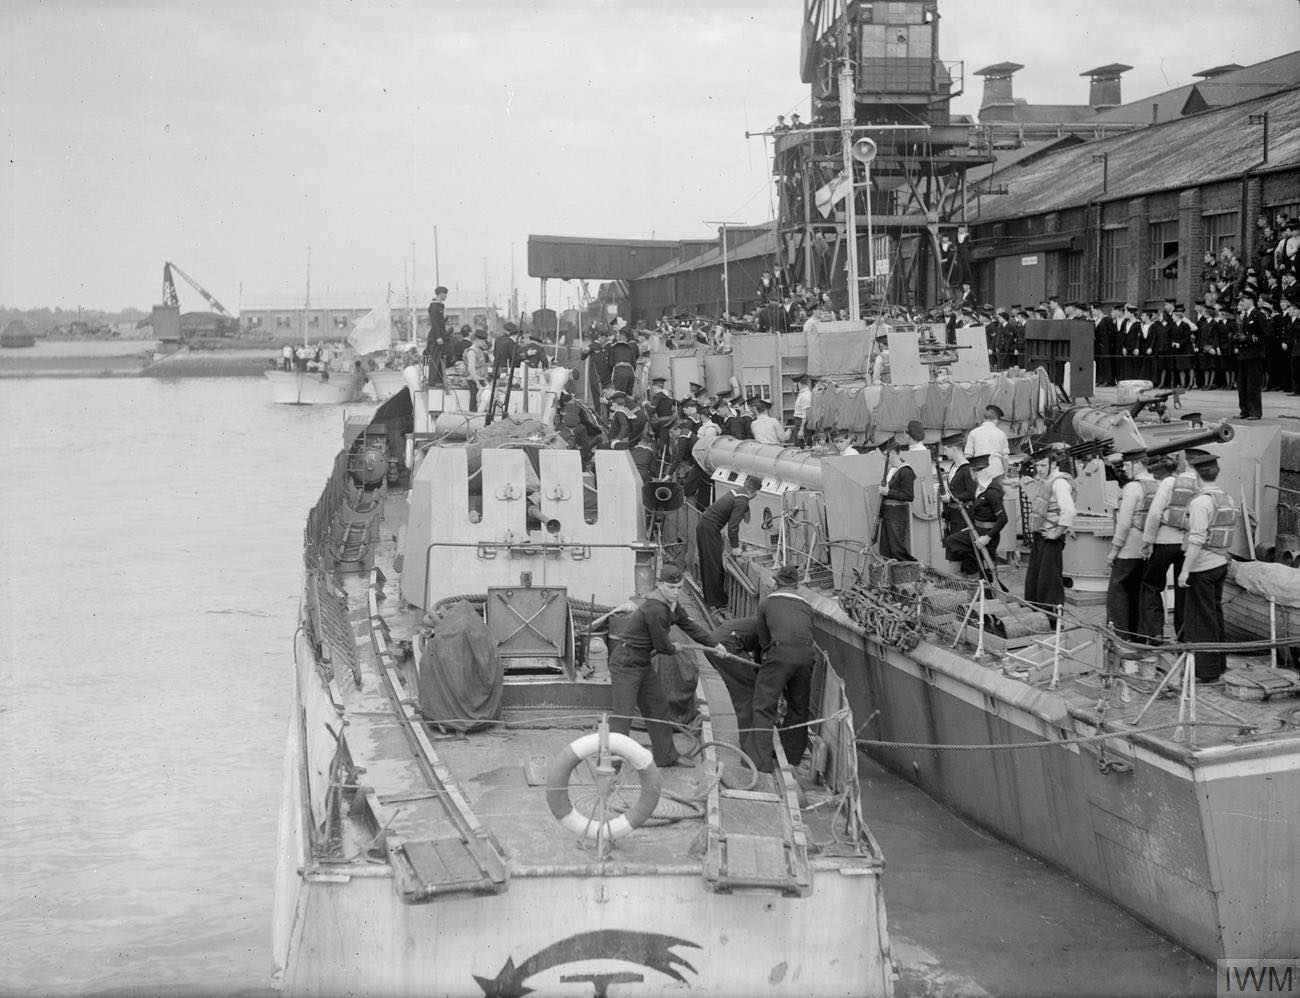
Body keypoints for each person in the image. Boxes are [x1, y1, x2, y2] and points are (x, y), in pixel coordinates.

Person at [606, 565, 723, 768]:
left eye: (679, 587)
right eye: (671, 587)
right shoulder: (655, 609)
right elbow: (662, 645)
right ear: (661, 585)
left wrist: (715, 644)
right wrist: (674, 648)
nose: (676, 592)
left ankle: (666, 756)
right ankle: (609, 766)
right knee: (623, 715)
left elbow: (689, 626)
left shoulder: (672, 605)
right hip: (625, 664)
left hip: (641, 663)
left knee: (659, 708)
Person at [1177, 453, 1241, 682]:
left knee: (1199, 618)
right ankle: (1219, 664)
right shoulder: (1227, 498)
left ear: (1196, 475)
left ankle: (1205, 671)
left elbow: (1196, 538)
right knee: (1215, 614)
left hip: (1202, 566)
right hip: (1221, 563)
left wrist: (1185, 570)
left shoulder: (1200, 501)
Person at [751, 564, 816, 774]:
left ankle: (761, 762)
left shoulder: (767, 603)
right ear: (796, 585)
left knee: (764, 705)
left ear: (777, 583)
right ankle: (792, 758)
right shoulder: (807, 605)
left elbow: (763, 641)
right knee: (799, 707)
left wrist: (766, 666)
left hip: (779, 653)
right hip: (806, 657)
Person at [1139, 450, 1201, 642]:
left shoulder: (1170, 482)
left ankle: (1154, 633)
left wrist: (1147, 541)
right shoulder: (1201, 486)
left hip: (1164, 542)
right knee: (1183, 589)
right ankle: (1183, 636)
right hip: (1188, 544)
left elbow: (1155, 514)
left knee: (1151, 585)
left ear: (1184, 462)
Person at [1107, 451, 1161, 642]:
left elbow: (1124, 523)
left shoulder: (1132, 488)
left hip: (1129, 547)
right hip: (1149, 548)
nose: (1124, 470)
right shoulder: (1158, 485)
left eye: (1126, 466)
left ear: (1137, 464)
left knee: (1118, 590)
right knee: (1140, 591)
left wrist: (1115, 549)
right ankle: (1141, 634)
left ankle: (1121, 634)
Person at [696, 475, 762, 609]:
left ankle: (710, 597)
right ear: (754, 492)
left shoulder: (736, 491)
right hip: (710, 528)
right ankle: (717, 601)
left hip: (705, 525)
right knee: (714, 564)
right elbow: (733, 527)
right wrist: (735, 547)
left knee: (708, 562)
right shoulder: (743, 500)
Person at [1024, 450, 1077, 613]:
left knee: (1049, 583)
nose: (1038, 469)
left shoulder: (1059, 483)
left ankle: (1052, 620)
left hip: (1051, 540)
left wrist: (1057, 532)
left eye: (1042, 465)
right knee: (1034, 581)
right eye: (1037, 465)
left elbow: (1069, 511)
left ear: (1053, 464)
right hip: (1040, 537)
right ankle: (1036, 614)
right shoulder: (1046, 481)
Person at [942, 453, 1006, 579]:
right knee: (964, 552)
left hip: (987, 534)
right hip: (977, 530)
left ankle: (987, 589)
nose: (970, 474)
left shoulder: (992, 491)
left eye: (971, 471)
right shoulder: (981, 489)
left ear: (977, 472)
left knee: (987, 567)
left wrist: (987, 537)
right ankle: (973, 584)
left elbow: (1003, 519)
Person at [702, 616, 763, 747]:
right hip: (726, 646)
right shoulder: (772, 628)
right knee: (748, 696)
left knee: (742, 689)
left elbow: (759, 657)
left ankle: (751, 744)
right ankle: (750, 750)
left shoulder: (761, 621)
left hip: (715, 643)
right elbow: (764, 658)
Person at [876, 443, 916, 562]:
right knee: (886, 550)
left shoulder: (906, 471)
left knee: (897, 550)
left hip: (897, 513)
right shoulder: (890, 469)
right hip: (888, 512)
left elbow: (909, 496)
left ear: (892, 454)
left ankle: (911, 571)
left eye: (884, 455)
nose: (883, 458)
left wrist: (888, 492)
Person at [1236, 290, 1266, 419]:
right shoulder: (1246, 316)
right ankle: (1245, 410)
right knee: (1242, 384)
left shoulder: (1258, 315)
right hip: (1244, 354)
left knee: (1253, 384)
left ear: (1250, 301)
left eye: (1243, 300)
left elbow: (1265, 335)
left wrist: (1248, 338)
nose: (1240, 303)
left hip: (1254, 355)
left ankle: (1255, 411)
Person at [938, 430, 973, 542]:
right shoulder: (954, 467)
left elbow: (971, 493)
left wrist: (951, 499)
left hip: (964, 516)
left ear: (953, 448)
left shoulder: (967, 469)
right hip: (953, 516)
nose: (944, 452)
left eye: (945, 449)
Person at [964, 404, 1011, 476]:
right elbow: (1005, 458)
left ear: (984, 419)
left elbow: (968, 456)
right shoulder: (1001, 434)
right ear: (995, 419)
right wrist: (1006, 475)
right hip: (997, 472)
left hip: (979, 473)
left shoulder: (973, 433)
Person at [425, 286, 448, 385]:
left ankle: (438, 379)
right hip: (435, 337)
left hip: (440, 335)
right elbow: (434, 322)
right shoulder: (434, 306)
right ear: (440, 294)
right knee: (435, 358)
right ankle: (432, 380)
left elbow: (439, 321)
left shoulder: (440, 306)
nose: (446, 296)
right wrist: (438, 337)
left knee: (439, 357)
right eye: (445, 293)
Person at [462, 328, 490, 412]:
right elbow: (471, 368)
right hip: (474, 380)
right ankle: (473, 418)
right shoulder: (472, 352)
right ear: (477, 340)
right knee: (474, 400)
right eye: (483, 341)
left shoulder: (479, 350)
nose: (484, 343)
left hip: (481, 379)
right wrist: (477, 382)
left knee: (481, 402)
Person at [791, 373, 814, 444]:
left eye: (794, 384)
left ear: (799, 383)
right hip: (799, 422)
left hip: (802, 423)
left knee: (800, 445)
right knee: (797, 444)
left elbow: (806, 414)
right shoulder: (802, 394)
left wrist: (801, 430)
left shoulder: (806, 395)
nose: (793, 386)